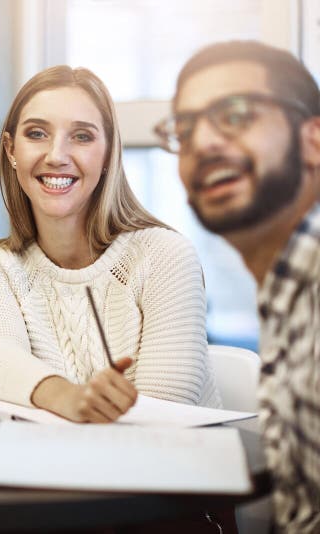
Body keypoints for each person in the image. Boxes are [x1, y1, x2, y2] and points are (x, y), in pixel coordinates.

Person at [0, 65, 220, 424]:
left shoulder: (165, 254)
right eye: (37, 133)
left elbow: (167, 408)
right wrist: (68, 397)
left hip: (173, 454)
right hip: (62, 456)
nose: (56, 155)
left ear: (107, 154)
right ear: (11, 150)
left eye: (82, 136)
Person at [157, 40, 320, 533]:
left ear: (313, 140)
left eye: (235, 115)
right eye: (185, 129)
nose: (203, 142)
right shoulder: (286, 291)